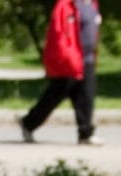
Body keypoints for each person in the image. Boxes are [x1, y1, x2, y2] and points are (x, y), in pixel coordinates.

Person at [19, 0, 101, 147]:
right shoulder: (66, 5)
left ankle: (85, 133)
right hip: (70, 60)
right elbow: (59, 32)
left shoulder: (92, 4)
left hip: (87, 60)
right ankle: (28, 123)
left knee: (86, 96)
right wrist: (66, 57)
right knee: (54, 96)